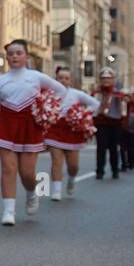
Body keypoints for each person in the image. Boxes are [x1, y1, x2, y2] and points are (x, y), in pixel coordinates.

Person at [0, 40, 68, 226]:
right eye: (11, 53)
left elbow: (61, 91)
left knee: (27, 173)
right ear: (7, 57)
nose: (15, 56)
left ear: (26, 56)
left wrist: (47, 108)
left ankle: (32, 193)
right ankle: (9, 211)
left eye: (19, 53)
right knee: (8, 169)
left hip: (30, 127)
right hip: (6, 126)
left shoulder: (37, 77)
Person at [43, 65, 99, 201]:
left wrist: (82, 114)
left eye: (66, 78)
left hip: (72, 131)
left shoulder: (76, 94)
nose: (63, 80)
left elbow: (95, 104)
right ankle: (56, 190)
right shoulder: (49, 93)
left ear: (70, 80)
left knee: (73, 165)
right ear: (56, 79)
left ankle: (72, 179)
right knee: (56, 160)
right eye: (60, 78)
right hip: (54, 129)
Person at [92, 67, 125, 179]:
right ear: (100, 80)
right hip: (100, 124)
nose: (106, 81)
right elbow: (90, 108)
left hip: (115, 125)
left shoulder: (118, 94)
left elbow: (123, 109)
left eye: (109, 78)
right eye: (103, 78)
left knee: (114, 148)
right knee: (101, 148)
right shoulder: (96, 93)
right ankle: (99, 171)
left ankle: (115, 170)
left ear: (113, 80)